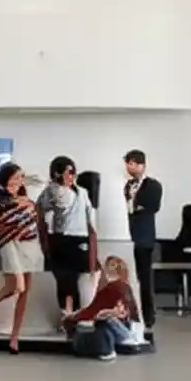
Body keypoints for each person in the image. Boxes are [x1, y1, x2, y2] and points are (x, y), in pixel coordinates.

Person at [0, 163, 44, 354]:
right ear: (8, 178)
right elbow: (1, 221)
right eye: (18, 176)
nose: (21, 180)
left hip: (29, 245)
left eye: (22, 177)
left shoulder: (25, 198)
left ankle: (14, 336)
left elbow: (34, 218)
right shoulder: (0, 200)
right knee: (18, 286)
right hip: (9, 244)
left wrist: (27, 211)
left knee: (24, 291)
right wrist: (20, 215)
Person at [37, 156, 98, 321]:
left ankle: (76, 313)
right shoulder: (51, 191)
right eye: (69, 172)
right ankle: (67, 313)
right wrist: (44, 242)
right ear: (58, 174)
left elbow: (90, 221)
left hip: (79, 239)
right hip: (60, 239)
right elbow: (42, 214)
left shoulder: (83, 192)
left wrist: (93, 244)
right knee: (65, 279)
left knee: (80, 278)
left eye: (74, 172)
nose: (72, 176)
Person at [63, 256, 142, 361]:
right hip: (128, 327)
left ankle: (106, 348)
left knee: (102, 322)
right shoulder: (125, 287)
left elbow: (92, 311)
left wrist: (72, 317)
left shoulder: (109, 290)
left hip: (121, 331)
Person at [124, 150, 163, 329]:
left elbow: (152, 206)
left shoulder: (153, 185)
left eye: (132, 163)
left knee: (144, 278)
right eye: (127, 164)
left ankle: (148, 315)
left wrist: (137, 206)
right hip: (128, 236)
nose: (129, 167)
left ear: (141, 165)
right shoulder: (127, 186)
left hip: (144, 238)